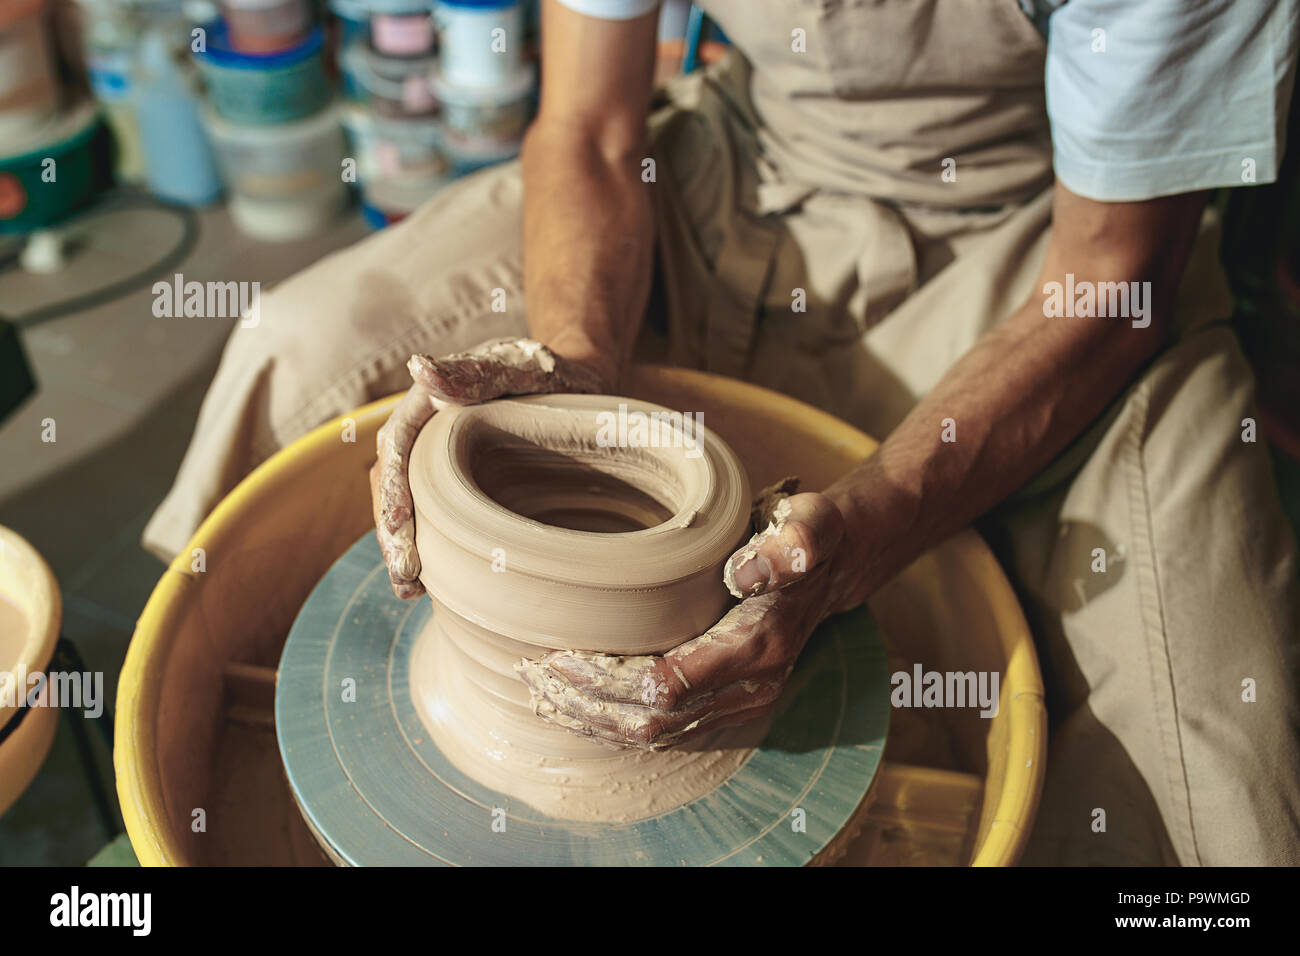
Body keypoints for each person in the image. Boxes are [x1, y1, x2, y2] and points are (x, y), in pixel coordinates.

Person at [144, 0, 1300, 865]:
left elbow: (1114, 269)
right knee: (299, 355)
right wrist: (575, 365)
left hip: (1036, 250)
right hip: (729, 179)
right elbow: (592, 128)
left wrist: (871, 530)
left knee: (1220, 769)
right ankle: (176, 735)